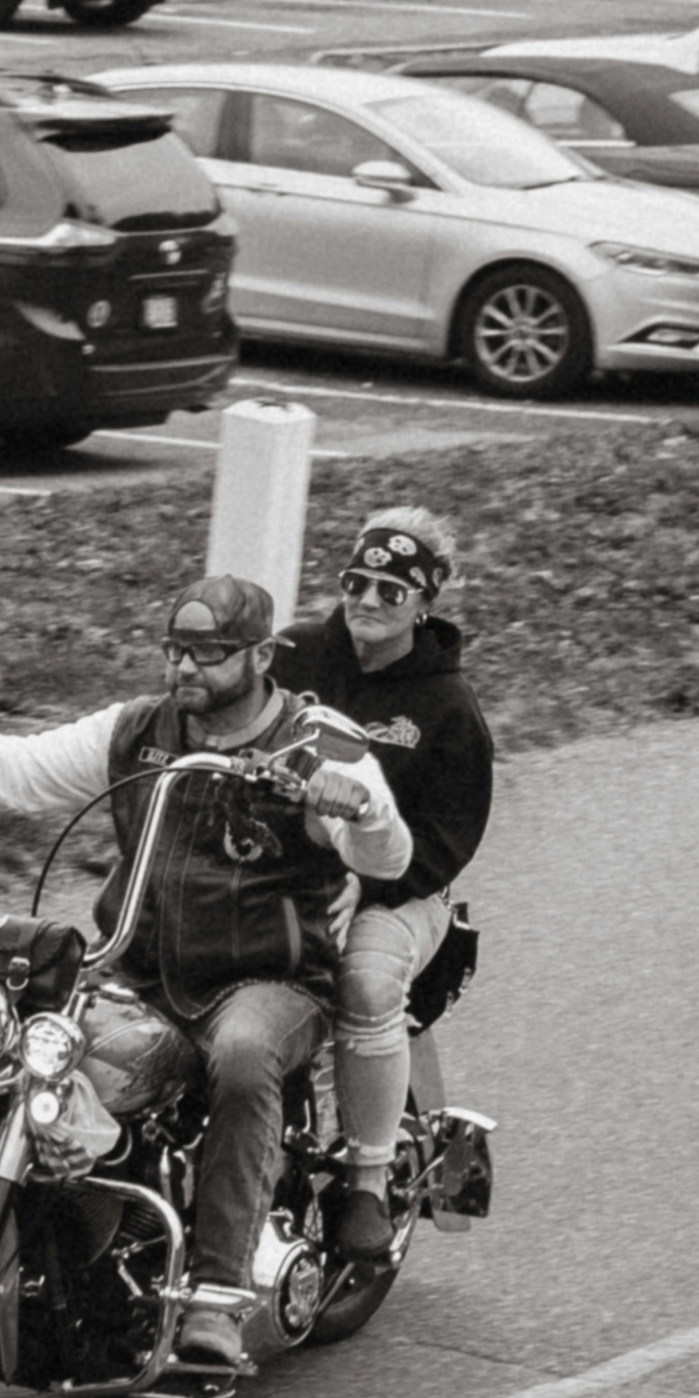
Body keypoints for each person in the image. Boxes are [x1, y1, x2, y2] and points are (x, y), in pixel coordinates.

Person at [0, 573, 416, 1371]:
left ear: (262, 656)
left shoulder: (313, 742)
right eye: (174, 651)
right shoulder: (140, 730)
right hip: (139, 968)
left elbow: (388, 855)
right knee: (17, 1041)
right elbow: (23, 771)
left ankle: (216, 1297)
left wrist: (358, 807)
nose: (184, 668)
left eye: (208, 653)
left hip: (269, 980)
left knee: (241, 1055)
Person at [266, 501, 495, 1257]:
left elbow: (449, 842)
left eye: (390, 591)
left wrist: (368, 882)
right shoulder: (293, 655)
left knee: (362, 982)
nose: (367, 600)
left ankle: (365, 1186)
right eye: (355, 581)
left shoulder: (449, 708)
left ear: (425, 604)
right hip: (277, 865)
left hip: (398, 895)